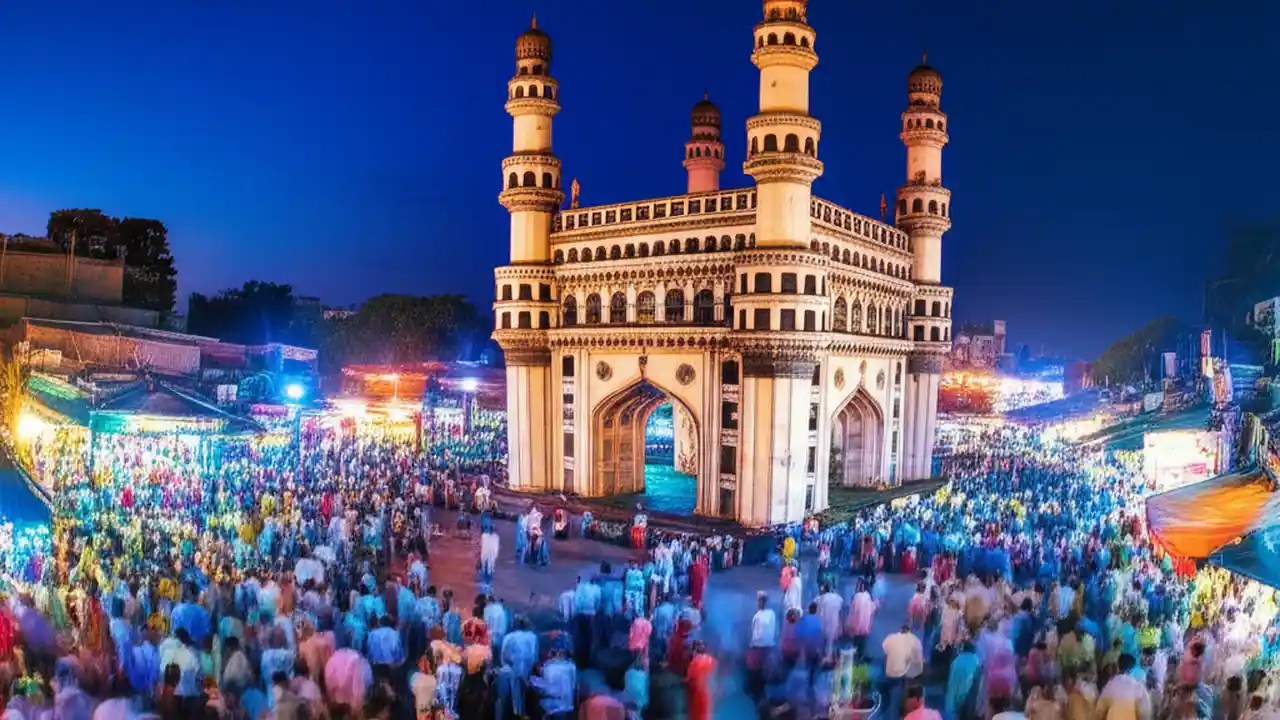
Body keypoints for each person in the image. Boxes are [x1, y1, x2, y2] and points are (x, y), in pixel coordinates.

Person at [1096, 654, 1152, 720]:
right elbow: (1144, 713)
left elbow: (1099, 711)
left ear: (1118, 666)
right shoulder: (1138, 687)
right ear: (1131, 670)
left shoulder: (1109, 686)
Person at [686, 640, 717, 720]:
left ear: (694, 651)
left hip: (698, 701)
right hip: (711, 701)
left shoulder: (694, 662)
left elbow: (689, 682)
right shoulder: (713, 661)